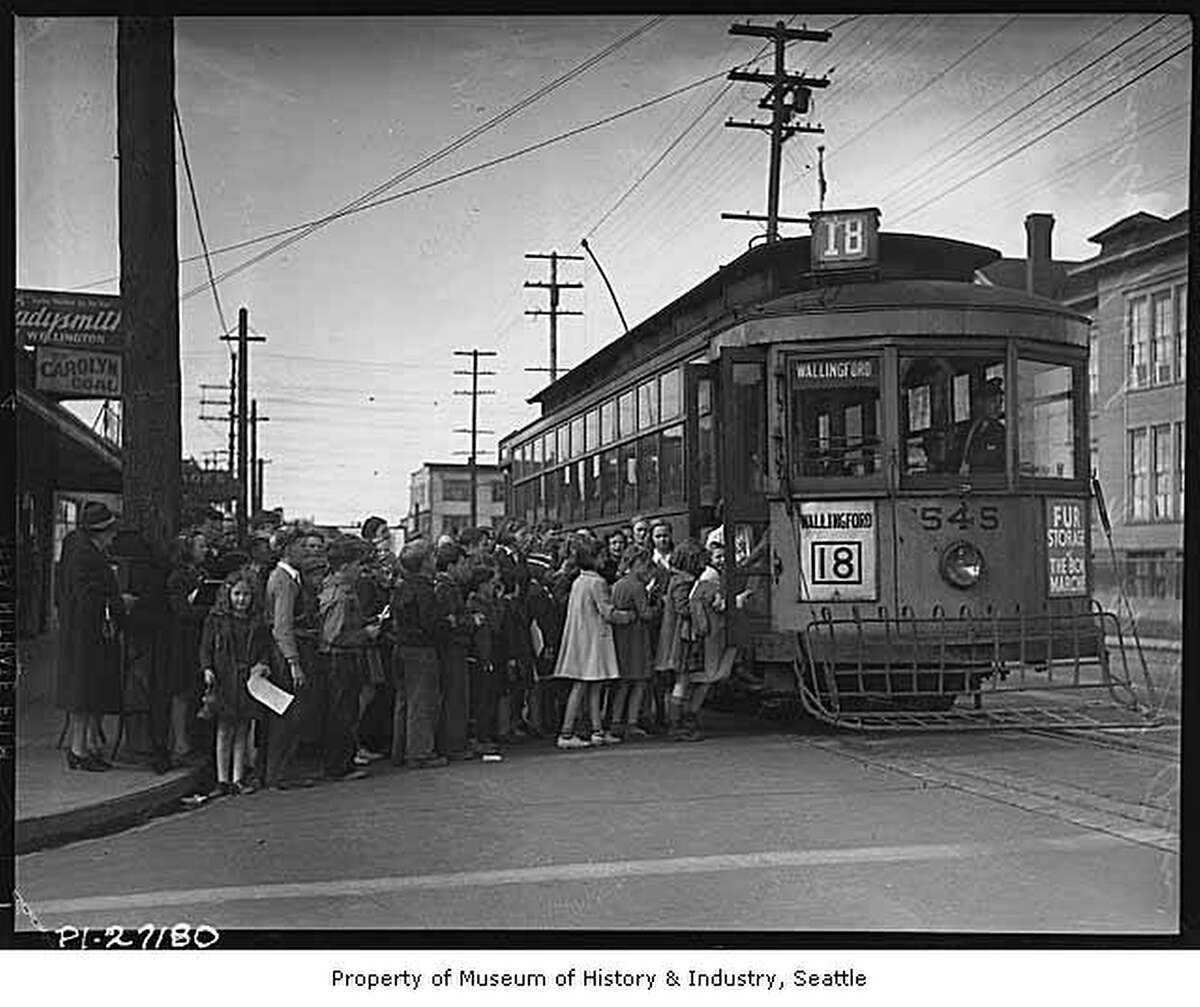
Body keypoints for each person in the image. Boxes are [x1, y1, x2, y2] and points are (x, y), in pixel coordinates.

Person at [55, 501, 127, 772]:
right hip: (87, 635)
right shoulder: (86, 556)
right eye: (110, 530)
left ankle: (84, 746)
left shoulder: (78, 549)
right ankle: (79, 751)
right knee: (84, 694)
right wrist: (118, 603)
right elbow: (89, 597)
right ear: (102, 531)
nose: (113, 536)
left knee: (85, 694)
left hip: (82, 633)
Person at [552, 539, 635, 749]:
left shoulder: (579, 581)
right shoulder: (597, 582)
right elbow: (608, 612)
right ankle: (567, 732)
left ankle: (596, 731)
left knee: (589, 684)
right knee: (585, 685)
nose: (605, 558)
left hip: (581, 639)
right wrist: (628, 615)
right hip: (594, 640)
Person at [198, 572, 273, 797]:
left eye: (246, 595)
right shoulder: (216, 619)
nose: (241, 599)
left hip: (247, 680)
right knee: (224, 729)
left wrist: (261, 665)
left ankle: (237, 777)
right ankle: (222, 779)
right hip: (224, 678)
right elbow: (205, 647)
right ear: (228, 594)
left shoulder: (257, 622)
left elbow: (264, 650)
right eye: (237, 594)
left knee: (242, 728)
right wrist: (207, 669)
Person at [261, 526, 324, 789]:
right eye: (300, 547)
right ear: (289, 549)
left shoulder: (286, 578)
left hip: (286, 650)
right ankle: (280, 772)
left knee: (287, 712)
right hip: (288, 651)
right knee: (289, 713)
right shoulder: (285, 581)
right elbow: (282, 625)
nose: (305, 552)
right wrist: (293, 662)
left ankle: (279, 769)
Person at [316, 536, 378, 782]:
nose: (360, 570)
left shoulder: (331, 588)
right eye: (357, 565)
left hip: (340, 658)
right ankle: (339, 765)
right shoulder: (341, 595)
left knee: (343, 711)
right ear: (345, 567)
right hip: (340, 659)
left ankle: (342, 762)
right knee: (342, 713)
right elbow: (334, 635)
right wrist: (365, 633)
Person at [390, 541, 447, 769]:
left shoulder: (401, 587)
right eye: (432, 558)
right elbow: (430, 623)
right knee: (421, 702)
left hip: (401, 647)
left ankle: (400, 750)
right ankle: (420, 753)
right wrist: (447, 623)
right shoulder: (425, 590)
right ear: (425, 563)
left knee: (404, 701)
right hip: (421, 650)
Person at [676, 536, 734, 742]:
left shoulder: (708, 576)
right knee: (707, 677)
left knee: (700, 679)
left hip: (705, 633)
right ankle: (686, 720)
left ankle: (684, 718)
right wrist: (740, 600)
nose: (722, 559)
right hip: (710, 634)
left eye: (724, 556)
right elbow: (718, 605)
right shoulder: (711, 578)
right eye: (718, 556)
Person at [164, 532, 212, 768]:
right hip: (182, 640)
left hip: (196, 639)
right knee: (181, 691)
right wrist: (206, 610)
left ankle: (190, 741)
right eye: (201, 546)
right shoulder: (178, 578)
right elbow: (181, 611)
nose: (206, 550)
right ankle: (180, 744)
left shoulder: (200, 574)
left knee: (192, 690)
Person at [655, 538, 706, 736]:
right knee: (682, 679)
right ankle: (676, 724)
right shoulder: (683, 581)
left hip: (676, 634)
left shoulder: (675, 578)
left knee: (680, 679)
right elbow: (683, 607)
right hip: (681, 636)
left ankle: (675, 721)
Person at [608, 547, 658, 739]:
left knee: (623, 683)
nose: (647, 569)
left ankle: (615, 721)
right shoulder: (637, 586)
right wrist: (657, 607)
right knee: (638, 681)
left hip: (621, 637)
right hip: (636, 638)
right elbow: (646, 613)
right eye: (644, 565)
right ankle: (631, 722)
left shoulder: (618, 584)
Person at [433, 541, 472, 761]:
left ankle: (453, 743)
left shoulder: (441, 585)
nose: (466, 569)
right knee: (455, 697)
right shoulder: (447, 588)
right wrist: (468, 621)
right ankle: (453, 745)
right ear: (451, 565)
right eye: (462, 564)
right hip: (452, 648)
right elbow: (450, 620)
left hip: (449, 647)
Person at [464, 563, 504, 761]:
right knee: (481, 699)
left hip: (491, 653)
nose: (493, 587)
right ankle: (480, 737)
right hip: (481, 655)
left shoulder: (489, 602)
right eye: (490, 583)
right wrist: (483, 657)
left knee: (489, 697)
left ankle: (485, 734)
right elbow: (490, 628)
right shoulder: (475, 604)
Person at [959, 377, 1006, 475]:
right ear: (981, 402)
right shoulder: (967, 429)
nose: (998, 407)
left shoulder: (1001, 432)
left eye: (1000, 402)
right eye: (993, 401)